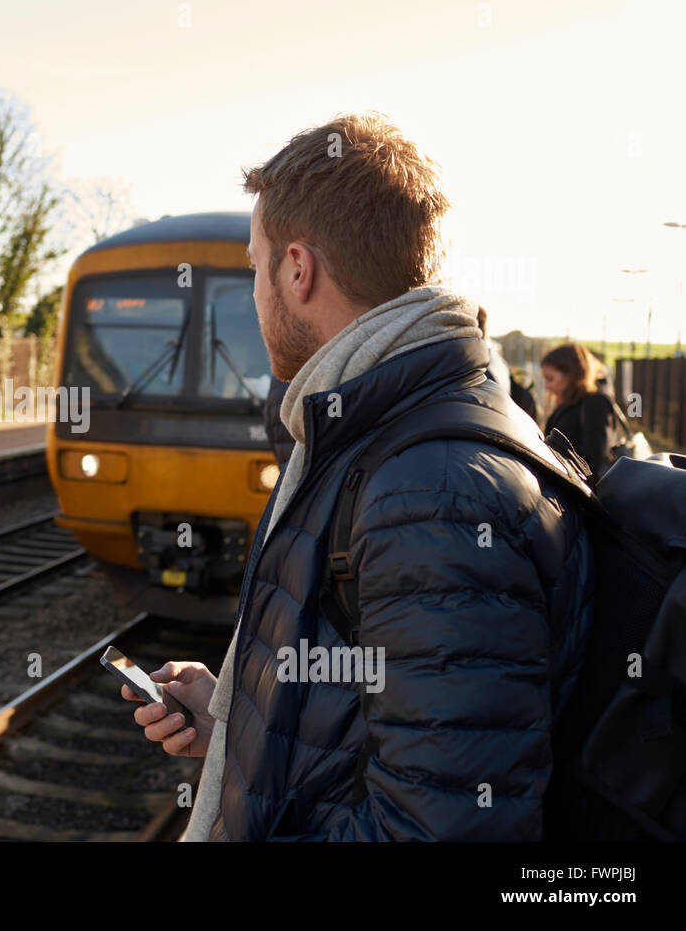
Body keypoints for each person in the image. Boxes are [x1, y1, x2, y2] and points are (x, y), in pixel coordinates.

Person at [123, 113, 594, 841]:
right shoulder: (385, 435)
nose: (255, 293)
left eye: (256, 266)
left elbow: (442, 831)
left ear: (298, 270)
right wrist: (232, 716)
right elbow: (380, 707)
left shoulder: (433, 493)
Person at [541, 343, 622, 478]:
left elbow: (592, 463)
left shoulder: (595, 404)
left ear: (572, 375)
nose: (546, 386)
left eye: (550, 379)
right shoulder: (570, 402)